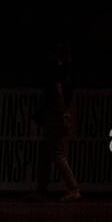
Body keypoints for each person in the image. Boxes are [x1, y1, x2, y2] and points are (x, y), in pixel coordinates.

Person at [35, 44, 80, 202]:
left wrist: (62, 113)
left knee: (56, 152)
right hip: (56, 113)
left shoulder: (56, 71)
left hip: (54, 114)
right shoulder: (66, 73)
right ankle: (41, 190)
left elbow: (57, 90)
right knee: (47, 152)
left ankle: (73, 188)